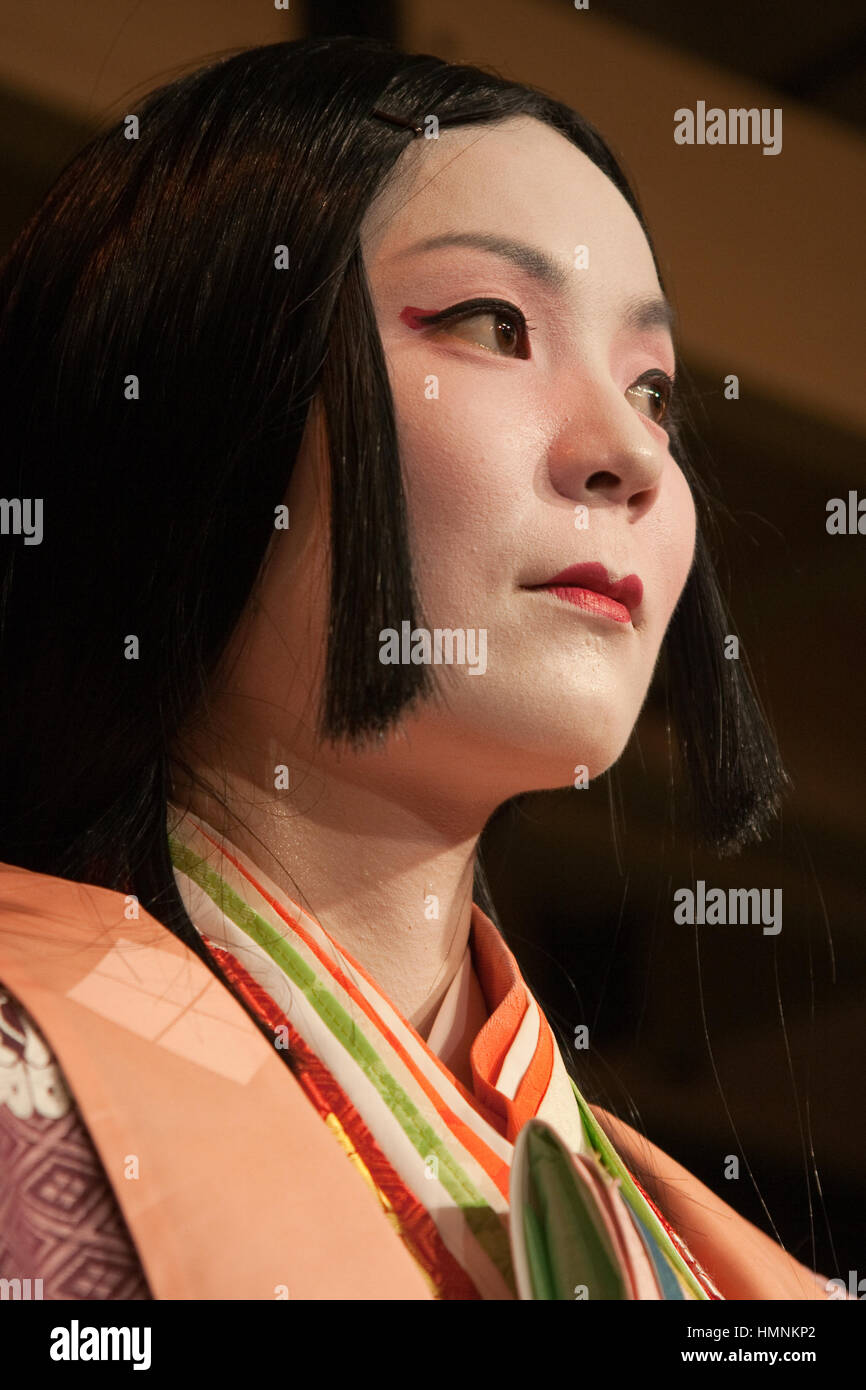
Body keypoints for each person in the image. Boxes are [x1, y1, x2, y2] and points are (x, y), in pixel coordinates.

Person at [0, 35, 836, 1300]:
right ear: (203, 398)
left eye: (655, 390)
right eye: (493, 325)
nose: (633, 453)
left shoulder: (736, 1285)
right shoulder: (26, 1078)